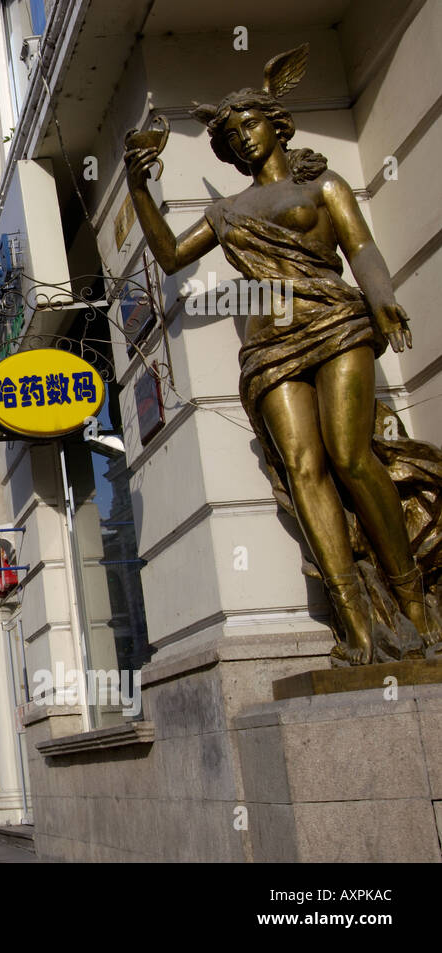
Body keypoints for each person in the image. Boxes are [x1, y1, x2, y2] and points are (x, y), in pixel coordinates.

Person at [124, 43, 442, 665]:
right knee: (302, 470)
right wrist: (138, 190)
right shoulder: (226, 211)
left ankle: (412, 602)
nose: (243, 138)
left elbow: (362, 247)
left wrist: (381, 298)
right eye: (231, 132)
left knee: (350, 455)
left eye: (250, 124)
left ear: (277, 123)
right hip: (271, 345)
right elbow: (168, 256)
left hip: (337, 320)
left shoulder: (324, 184)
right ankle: (352, 622)